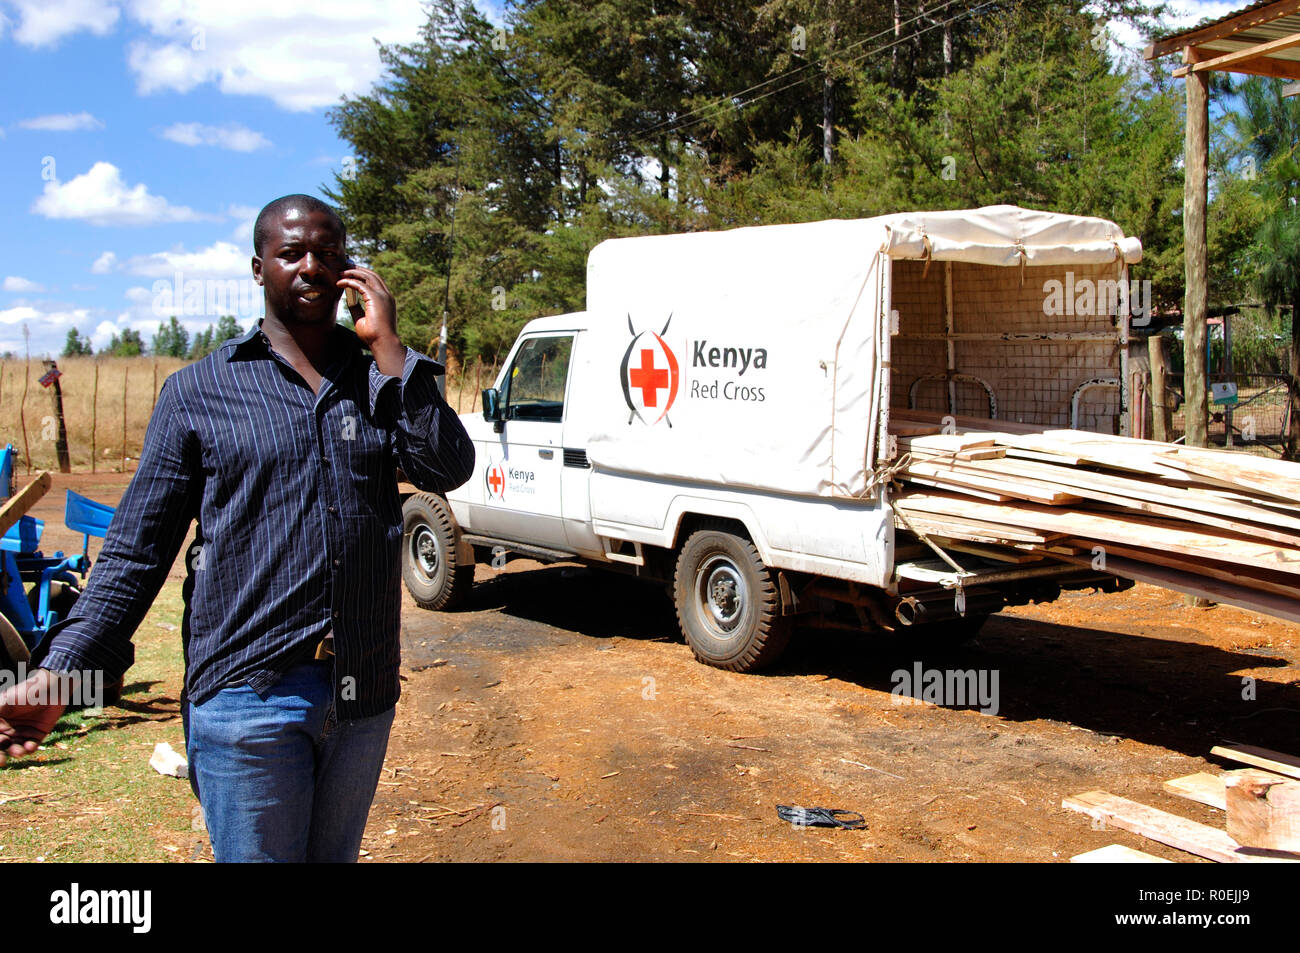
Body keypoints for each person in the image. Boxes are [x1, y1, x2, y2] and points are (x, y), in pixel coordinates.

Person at [0, 194, 475, 862]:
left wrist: (393, 351)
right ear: (259, 269)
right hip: (248, 695)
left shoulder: (378, 379)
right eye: (293, 253)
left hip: (362, 693)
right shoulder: (199, 391)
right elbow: (137, 552)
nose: (313, 266)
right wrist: (61, 672)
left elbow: (447, 464)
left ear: (350, 268)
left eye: (329, 251)